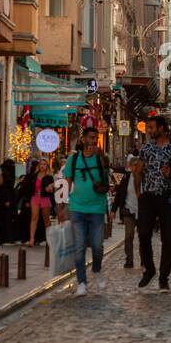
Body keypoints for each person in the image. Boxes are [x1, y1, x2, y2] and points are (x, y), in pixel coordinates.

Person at [133, 115, 171, 292]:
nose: (148, 131)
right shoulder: (147, 147)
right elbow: (138, 171)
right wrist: (138, 193)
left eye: (151, 127)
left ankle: (164, 278)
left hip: (167, 198)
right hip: (148, 197)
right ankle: (149, 269)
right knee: (143, 234)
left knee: (168, 238)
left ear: (162, 128)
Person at [63, 125, 110, 295]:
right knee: (80, 246)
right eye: (90, 138)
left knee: (97, 245)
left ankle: (96, 270)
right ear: (83, 139)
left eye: (95, 139)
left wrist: (103, 157)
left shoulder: (101, 159)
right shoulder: (73, 160)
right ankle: (81, 282)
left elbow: (107, 178)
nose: (92, 142)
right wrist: (63, 204)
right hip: (77, 207)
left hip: (97, 207)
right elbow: (67, 181)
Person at [112, 153, 140, 268]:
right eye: (133, 166)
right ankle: (129, 259)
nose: (134, 168)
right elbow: (119, 194)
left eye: (137, 166)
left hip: (142, 212)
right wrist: (113, 210)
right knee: (129, 236)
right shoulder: (126, 178)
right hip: (128, 210)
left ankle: (145, 258)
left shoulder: (144, 177)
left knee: (143, 236)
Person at [26, 159, 55, 246]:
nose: (42, 166)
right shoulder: (34, 176)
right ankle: (32, 239)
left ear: (47, 166)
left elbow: (52, 190)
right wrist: (27, 200)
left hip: (45, 198)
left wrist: (50, 188)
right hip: (35, 198)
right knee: (34, 218)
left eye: (44, 164)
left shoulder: (49, 177)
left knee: (46, 220)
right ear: (38, 166)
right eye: (41, 164)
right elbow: (30, 188)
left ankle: (49, 239)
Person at [0, 158, 17, 243]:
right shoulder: (6, 173)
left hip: (2, 198)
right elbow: (4, 187)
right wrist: (7, 199)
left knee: (3, 218)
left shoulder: (3, 170)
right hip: (6, 198)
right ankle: (6, 237)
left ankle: (3, 237)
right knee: (6, 218)